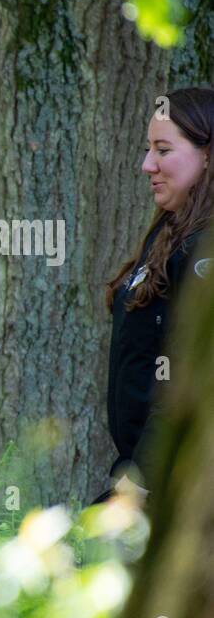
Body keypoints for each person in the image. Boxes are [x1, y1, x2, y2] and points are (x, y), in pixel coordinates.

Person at [103, 86, 213, 497]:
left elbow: (194, 379)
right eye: (148, 149)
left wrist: (142, 482)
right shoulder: (169, 234)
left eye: (163, 150)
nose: (147, 165)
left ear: (206, 154)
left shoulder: (205, 251)